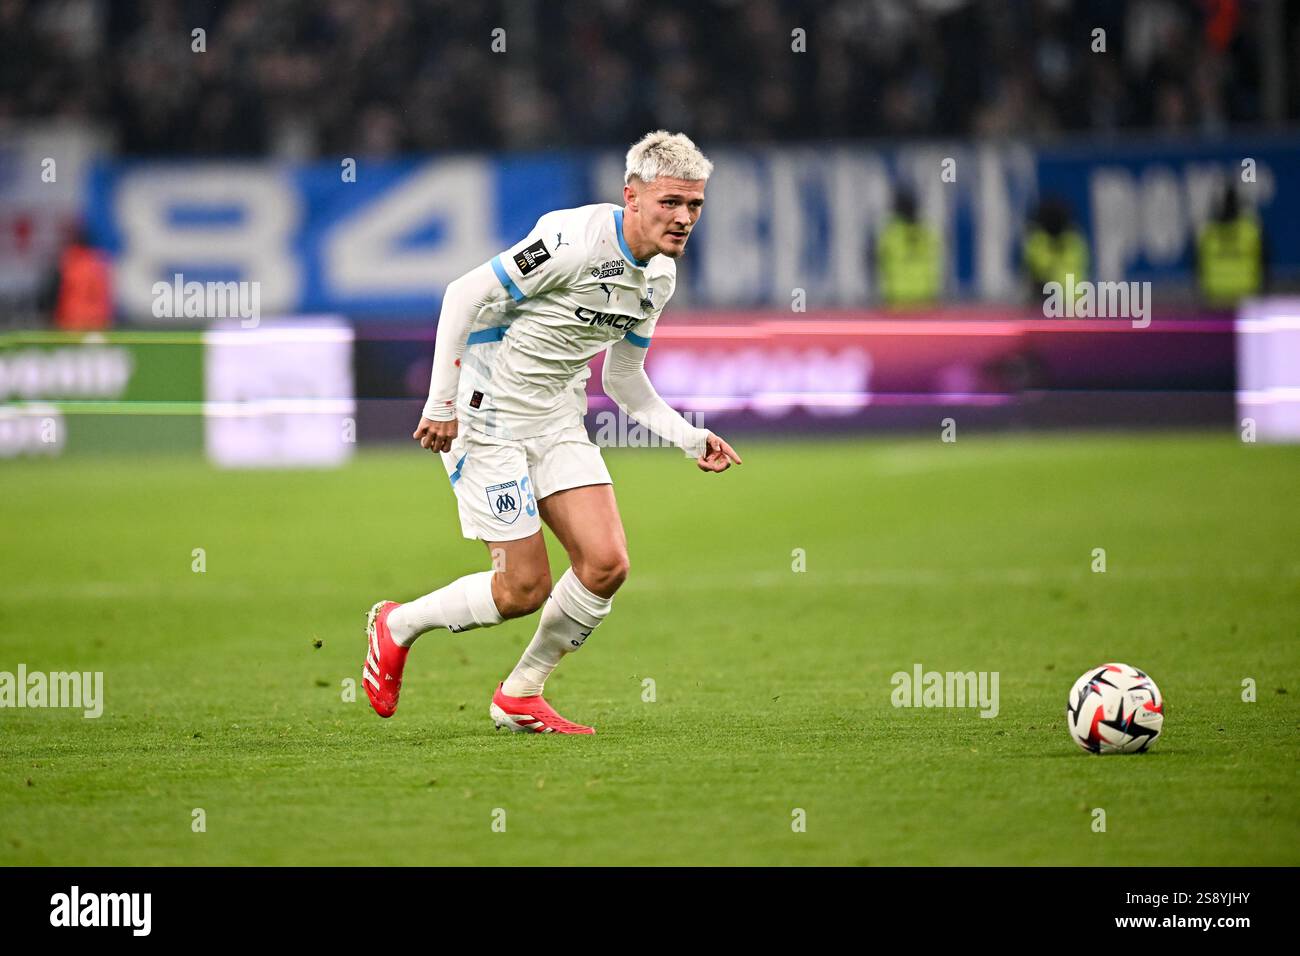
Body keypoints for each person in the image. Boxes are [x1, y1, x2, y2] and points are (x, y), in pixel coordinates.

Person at [362, 131, 742, 734]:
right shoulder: (572, 240)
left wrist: (689, 437)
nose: (684, 217)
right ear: (632, 196)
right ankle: (397, 625)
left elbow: (624, 379)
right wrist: (441, 404)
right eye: (671, 202)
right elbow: (462, 294)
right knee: (523, 588)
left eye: (694, 205)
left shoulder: (659, 278)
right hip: (485, 415)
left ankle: (521, 692)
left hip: (557, 416)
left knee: (606, 562)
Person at [1196, 185, 1266, 307]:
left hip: (1216, 300)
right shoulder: (1251, 230)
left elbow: (1197, 267)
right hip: (1244, 298)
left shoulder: (1208, 233)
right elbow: (1265, 264)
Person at [877, 190, 942, 307]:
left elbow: (876, 263)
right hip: (925, 300)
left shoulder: (890, 234)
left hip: (897, 300)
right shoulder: (927, 233)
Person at [1022, 197, 1088, 302]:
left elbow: (1072, 268)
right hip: (1043, 298)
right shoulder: (1038, 240)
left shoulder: (1072, 240)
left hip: (1072, 299)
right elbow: (1037, 269)